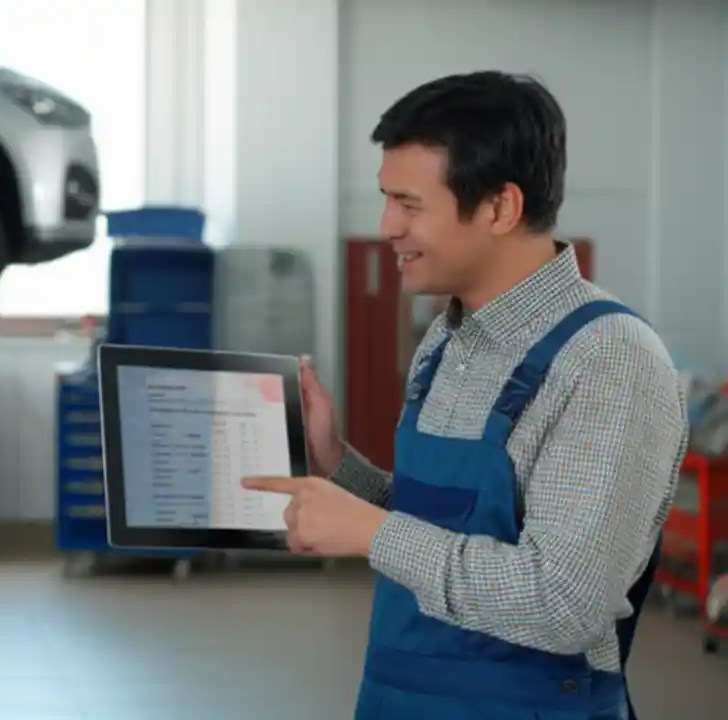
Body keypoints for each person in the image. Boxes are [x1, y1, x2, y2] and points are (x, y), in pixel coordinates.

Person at [244, 71, 688, 719]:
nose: (387, 226)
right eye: (385, 199)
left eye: (409, 203)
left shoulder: (608, 360)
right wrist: (336, 463)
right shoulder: (446, 340)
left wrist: (371, 533)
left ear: (500, 208)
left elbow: (564, 602)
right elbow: (445, 524)